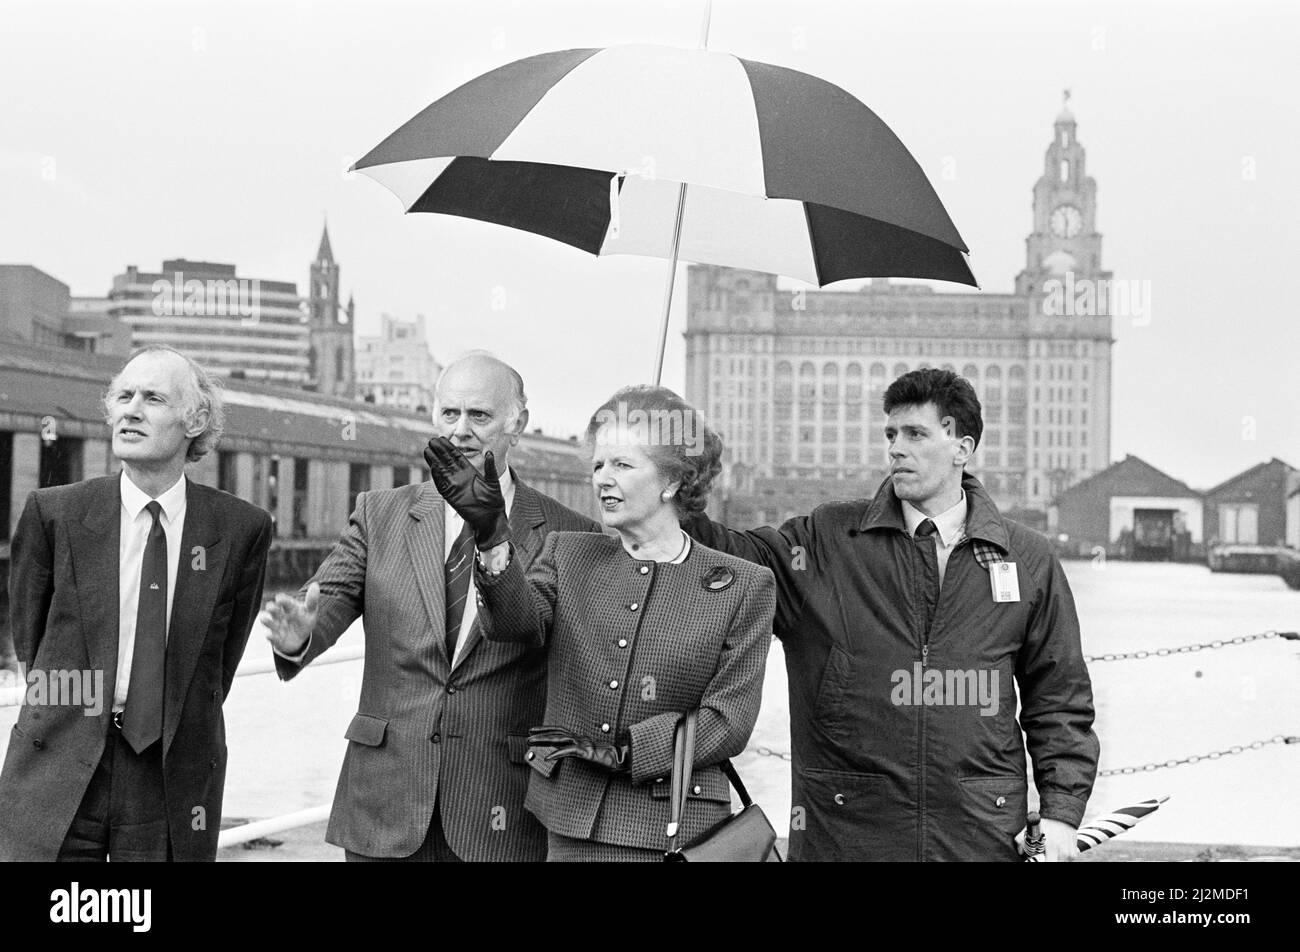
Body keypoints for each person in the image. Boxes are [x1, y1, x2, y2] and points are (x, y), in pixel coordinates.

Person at [682, 368, 1099, 862]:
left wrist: (1059, 814)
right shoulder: (828, 540)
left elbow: (1058, 699)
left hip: (978, 838)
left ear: (961, 448)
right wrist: (675, 483)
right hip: (846, 834)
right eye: (891, 434)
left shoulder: (1027, 558)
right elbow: (725, 557)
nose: (896, 448)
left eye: (915, 434)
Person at [261, 352, 600, 862]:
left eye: (479, 417)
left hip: (500, 807)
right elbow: (325, 601)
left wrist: (492, 535)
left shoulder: (570, 533)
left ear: (518, 424)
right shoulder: (381, 513)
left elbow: (542, 638)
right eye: (449, 415)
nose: (461, 431)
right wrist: (300, 638)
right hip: (386, 802)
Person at [426, 385, 776, 861]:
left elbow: (727, 721)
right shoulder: (569, 554)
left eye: (623, 465)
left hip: (671, 835)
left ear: (672, 482)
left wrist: (625, 751)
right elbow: (513, 624)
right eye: (597, 466)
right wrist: (491, 536)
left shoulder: (743, 584)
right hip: (566, 823)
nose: (602, 480)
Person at [0, 346, 273, 861]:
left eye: (152, 398)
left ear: (195, 421)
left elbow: (219, 665)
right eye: (123, 396)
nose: (131, 409)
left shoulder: (239, 530)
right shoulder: (53, 514)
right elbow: (30, 649)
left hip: (169, 774)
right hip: (59, 761)